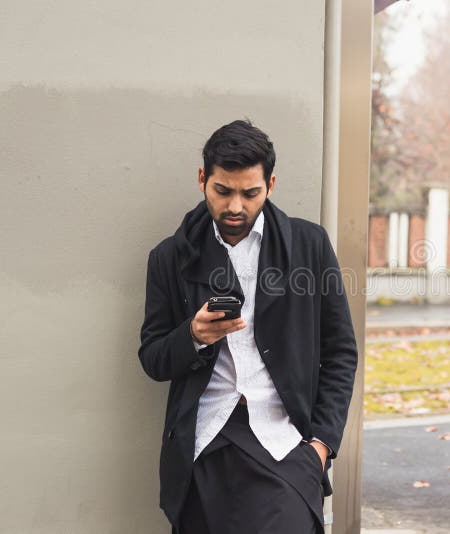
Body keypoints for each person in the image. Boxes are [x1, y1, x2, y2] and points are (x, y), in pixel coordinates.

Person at [138, 120, 358, 533]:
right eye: (223, 191)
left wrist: (321, 447)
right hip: (204, 442)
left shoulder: (309, 246)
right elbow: (152, 358)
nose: (235, 206)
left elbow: (341, 352)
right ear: (203, 179)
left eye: (250, 193)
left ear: (270, 185)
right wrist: (192, 337)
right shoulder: (169, 257)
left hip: (286, 440)